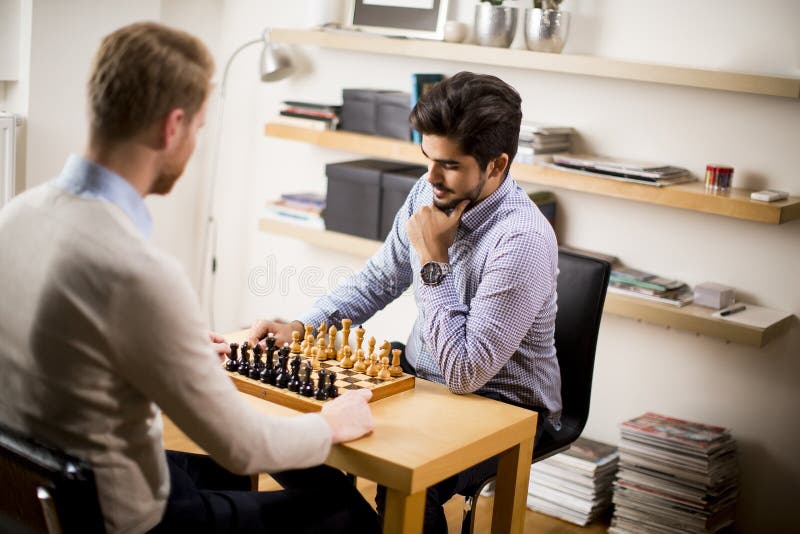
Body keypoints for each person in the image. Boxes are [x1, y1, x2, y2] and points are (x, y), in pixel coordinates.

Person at [0, 22, 379, 534]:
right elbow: (245, 447)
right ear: (171, 127)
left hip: (37, 494)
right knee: (343, 511)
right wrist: (329, 422)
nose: (196, 142)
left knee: (215, 472)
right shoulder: (138, 272)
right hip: (125, 518)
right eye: (199, 128)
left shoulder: (15, 216)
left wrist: (162, 346)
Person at [248, 71, 562, 533]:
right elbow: (378, 279)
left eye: (450, 165)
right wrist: (302, 327)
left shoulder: (523, 240)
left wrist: (434, 260)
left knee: (410, 480)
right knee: (288, 425)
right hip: (422, 377)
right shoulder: (428, 189)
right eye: (427, 157)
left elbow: (466, 373)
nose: (431, 176)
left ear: (496, 165)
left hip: (501, 402)